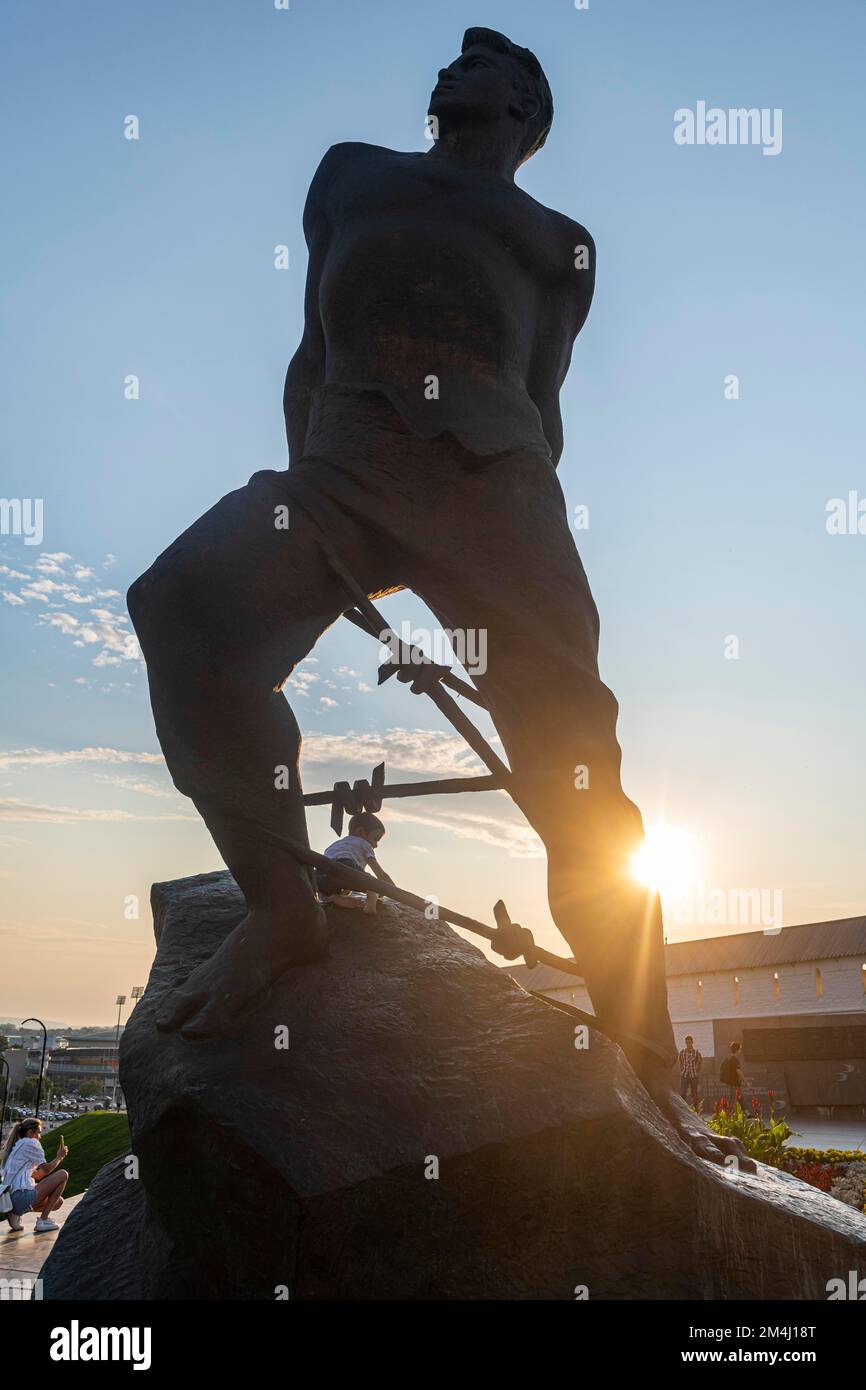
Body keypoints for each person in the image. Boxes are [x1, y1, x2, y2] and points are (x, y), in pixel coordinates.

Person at [126, 23, 751, 1170]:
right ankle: (281, 906)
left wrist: (512, 553)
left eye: (488, 67)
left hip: (498, 485)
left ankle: (648, 1055)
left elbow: (540, 390)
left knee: (577, 778)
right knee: (183, 605)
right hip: (343, 457)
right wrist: (310, 523)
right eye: (454, 62)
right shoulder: (349, 174)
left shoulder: (562, 242)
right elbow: (311, 344)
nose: (455, 73)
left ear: (524, 112)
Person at [0, 1117, 69, 1233]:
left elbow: (37, 1175)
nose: (40, 1137)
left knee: (58, 1202)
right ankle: (43, 1220)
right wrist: (59, 1157)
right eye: (39, 1133)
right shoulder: (31, 1143)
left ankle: (15, 1213)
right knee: (63, 1174)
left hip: (11, 1199)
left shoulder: (17, 1146)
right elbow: (46, 1170)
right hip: (20, 1196)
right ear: (30, 1132)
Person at [317, 812, 393, 915]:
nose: (375, 845)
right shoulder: (364, 844)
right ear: (361, 831)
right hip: (346, 867)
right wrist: (394, 892)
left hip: (323, 873)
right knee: (373, 885)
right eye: (375, 839)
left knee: (323, 883)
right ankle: (371, 904)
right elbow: (379, 872)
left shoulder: (335, 844)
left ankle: (334, 898)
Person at [677, 1035, 702, 1106]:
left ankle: (696, 1110)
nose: (688, 1044)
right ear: (685, 1043)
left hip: (693, 1075)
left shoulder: (696, 1052)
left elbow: (699, 1062)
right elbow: (680, 1061)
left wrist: (697, 1071)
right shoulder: (682, 1052)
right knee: (683, 1093)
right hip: (684, 1075)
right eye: (687, 1043)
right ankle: (683, 1108)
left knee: (694, 1094)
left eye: (690, 1042)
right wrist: (682, 1070)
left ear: (692, 1042)